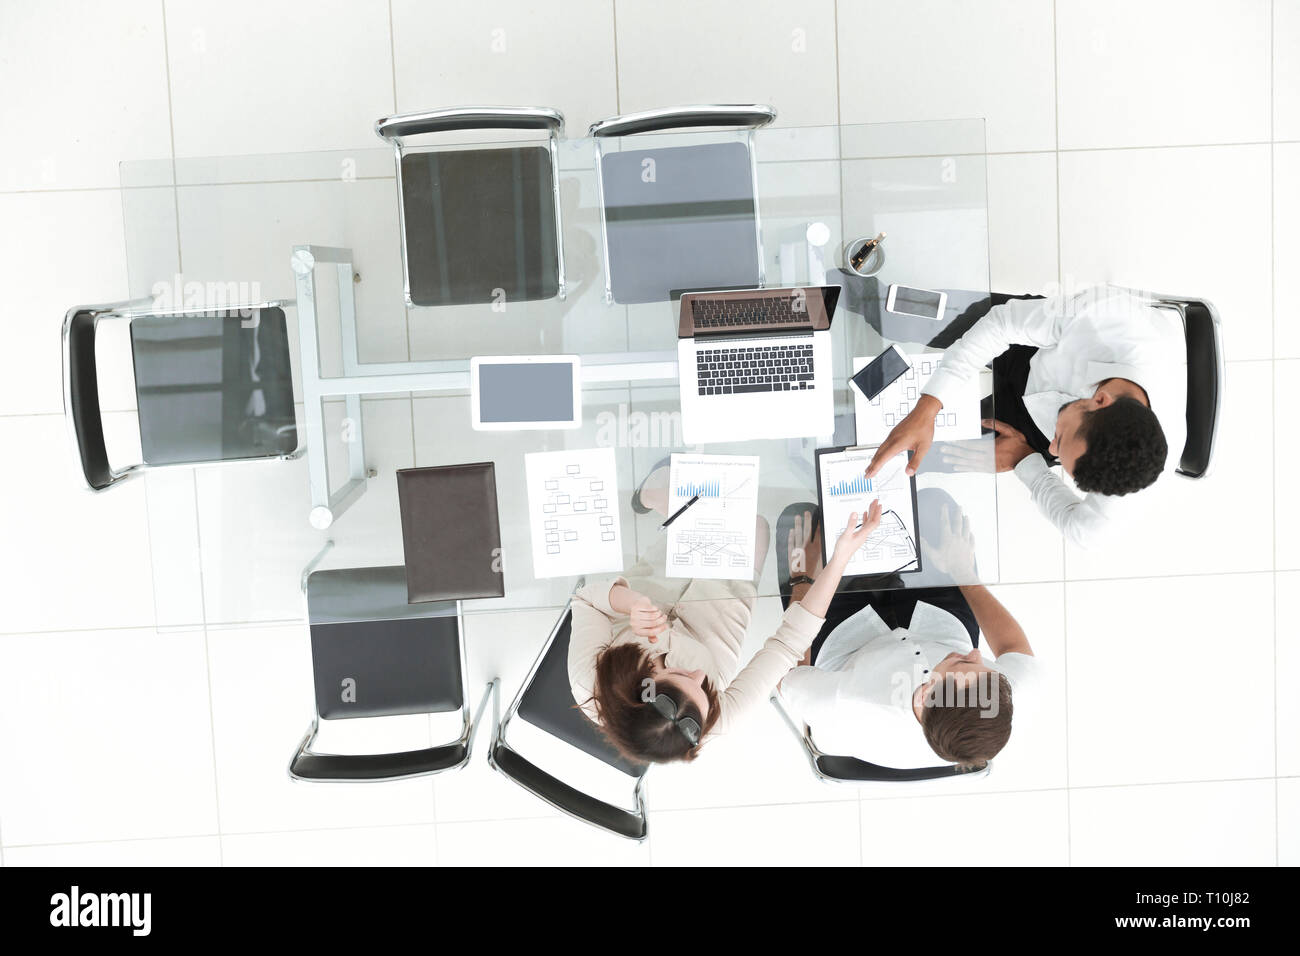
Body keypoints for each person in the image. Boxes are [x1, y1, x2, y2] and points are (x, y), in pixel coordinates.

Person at [568, 459, 885, 765]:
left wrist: (631, 603)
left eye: (680, 674)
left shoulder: (589, 679)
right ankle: (675, 505)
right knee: (753, 524)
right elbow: (789, 644)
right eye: (704, 688)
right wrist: (841, 556)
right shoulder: (719, 719)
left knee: (693, 496)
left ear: (642, 685)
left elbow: (585, 600)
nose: (701, 674)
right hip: (714, 622)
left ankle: (651, 496)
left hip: (651, 594)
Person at [865, 285, 1186, 549]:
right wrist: (927, 408)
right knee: (895, 315)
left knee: (901, 454)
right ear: (1099, 400)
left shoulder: (1127, 478)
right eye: (1060, 440)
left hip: (1025, 434)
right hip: (1028, 345)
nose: (1054, 451)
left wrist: (1028, 463)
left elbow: (1085, 532)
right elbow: (1002, 324)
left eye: (1062, 458)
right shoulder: (1105, 319)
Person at [779, 504, 1041, 769]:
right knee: (932, 509)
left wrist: (803, 580)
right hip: (939, 626)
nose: (976, 653)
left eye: (965, 663)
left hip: (847, 641)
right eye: (984, 666)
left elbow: (786, 676)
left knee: (809, 523)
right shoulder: (1002, 698)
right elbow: (1013, 646)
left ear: (924, 694)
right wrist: (963, 572)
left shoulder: (846, 704)